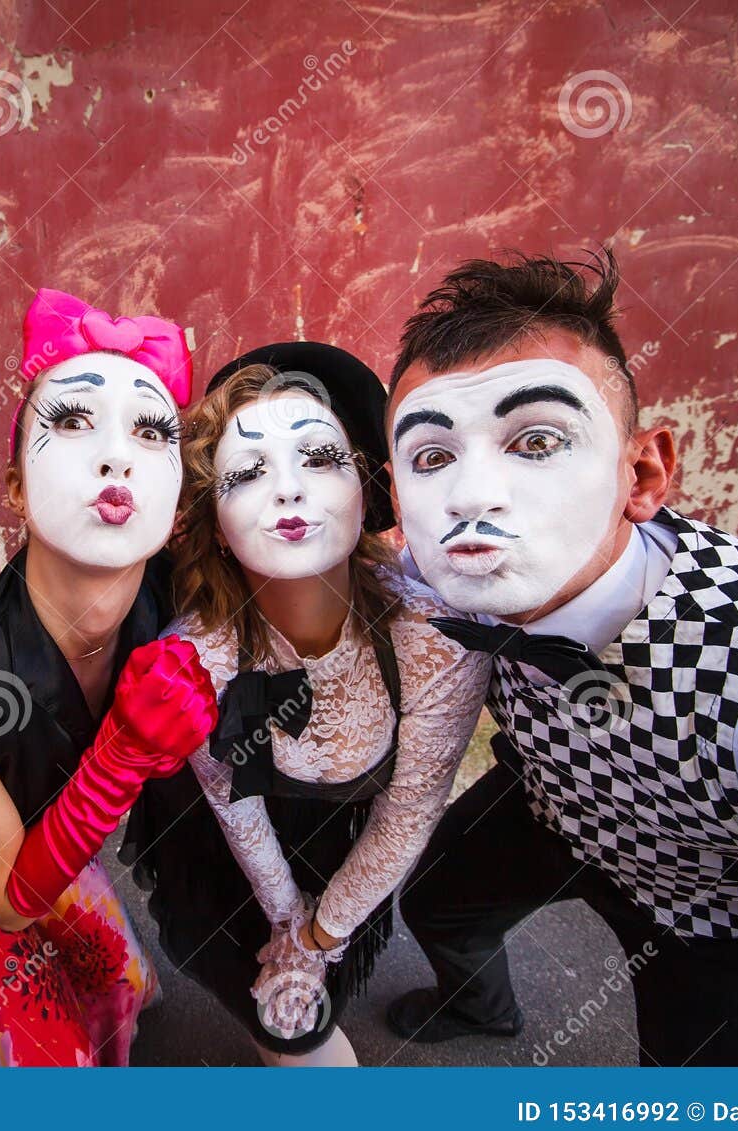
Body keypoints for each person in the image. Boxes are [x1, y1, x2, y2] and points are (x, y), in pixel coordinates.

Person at [383, 250, 738, 1066]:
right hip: (555, 805)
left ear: (642, 472)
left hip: (723, 916)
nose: (472, 494)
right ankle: (480, 1006)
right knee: (435, 901)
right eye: (433, 457)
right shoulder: (449, 561)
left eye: (536, 440)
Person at [0, 287, 217, 1066]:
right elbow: (6, 897)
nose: (115, 454)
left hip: (58, 840)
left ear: (179, 502)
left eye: (150, 430)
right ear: (19, 487)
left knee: (119, 987)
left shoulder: (175, 592)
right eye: (71, 421)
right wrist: (123, 752)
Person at [125, 344, 490, 1066]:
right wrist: (288, 922)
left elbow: (410, 809)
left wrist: (319, 937)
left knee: (308, 1013)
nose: (288, 491)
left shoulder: (438, 642)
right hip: (220, 849)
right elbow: (234, 804)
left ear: (366, 486)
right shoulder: (193, 657)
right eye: (249, 471)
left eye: (318, 459)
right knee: (290, 1035)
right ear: (216, 523)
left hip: (351, 852)